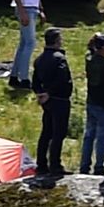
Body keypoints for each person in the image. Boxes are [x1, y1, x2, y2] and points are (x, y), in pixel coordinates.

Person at [29, 27, 72, 177]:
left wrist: (40, 93)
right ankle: (55, 164)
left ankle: (41, 164)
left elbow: (34, 82)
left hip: (46, 101)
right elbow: (63, 80)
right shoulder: (59, 58)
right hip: (59, 99)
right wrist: (49, 93)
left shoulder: (39, 59)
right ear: (56, 41)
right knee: (58, 133)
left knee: (46, 131)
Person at [78, 32, 104, 176]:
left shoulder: (89, 58)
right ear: (103, 48)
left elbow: (88, 50)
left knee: (89, 134)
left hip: (90, 101)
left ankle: (84, 165)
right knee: (102, 136)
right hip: (103, 103)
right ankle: (99, 166)